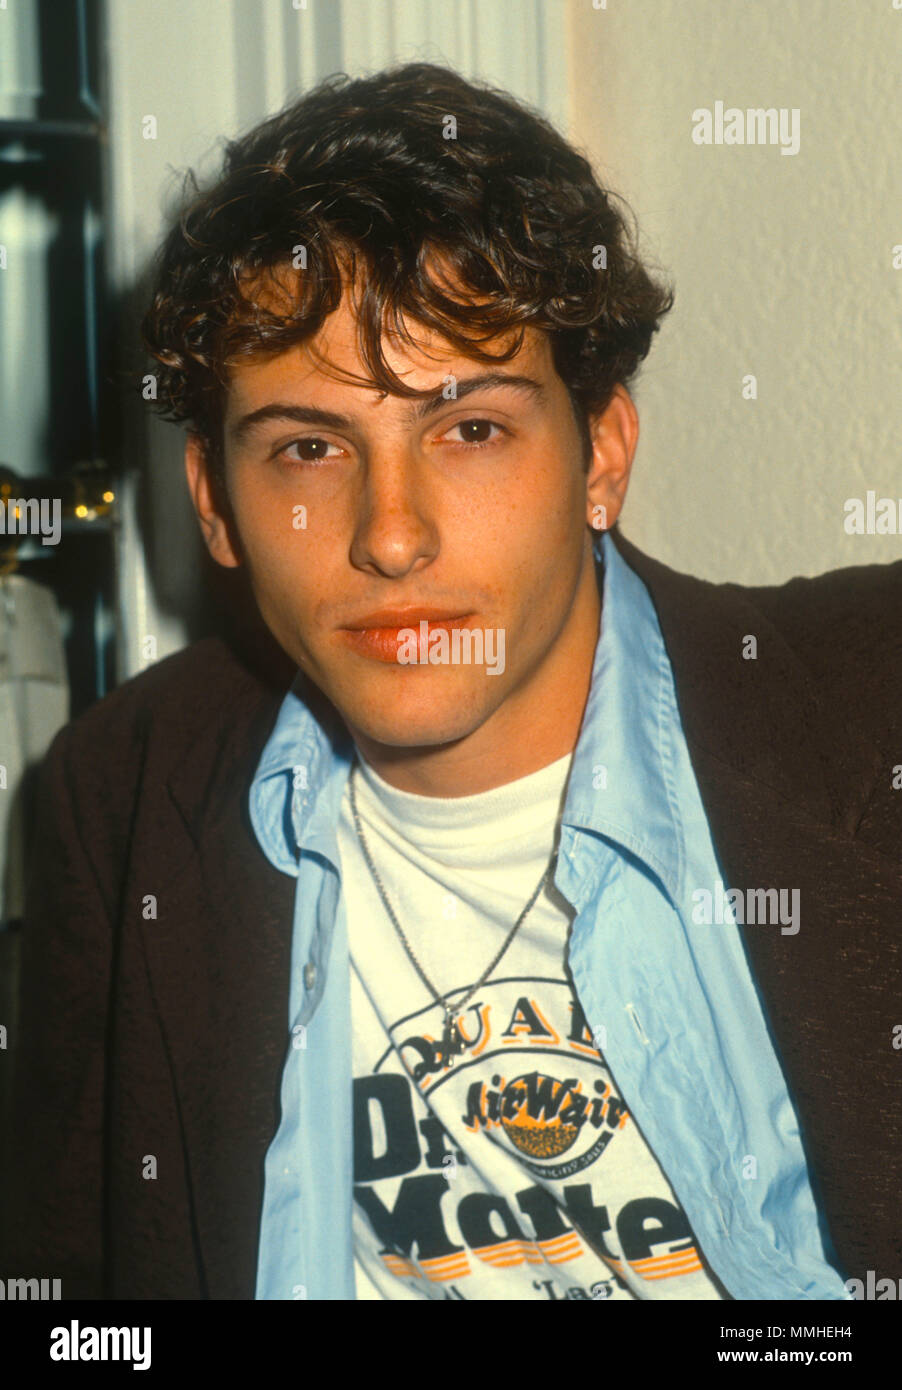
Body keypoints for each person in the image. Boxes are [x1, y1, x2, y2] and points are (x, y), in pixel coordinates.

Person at [4, 61, 900, 1302]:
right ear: (216, 505)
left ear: (601, 454)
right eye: (309, 448)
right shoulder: (123, 793)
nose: (391, 533)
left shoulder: (872, 707)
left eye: (468, 427)